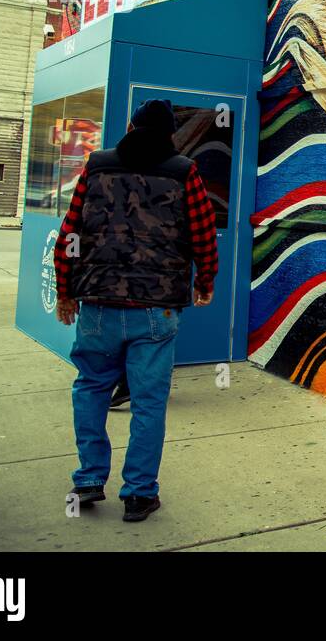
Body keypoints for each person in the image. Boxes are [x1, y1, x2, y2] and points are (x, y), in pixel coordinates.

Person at [54, 99, 218, 522]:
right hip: (156, 308)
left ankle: (90, 478)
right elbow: (203, 235)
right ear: (170, 135)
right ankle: (139, 494)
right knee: (148, 402)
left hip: (97, 304)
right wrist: (205, 283)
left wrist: (66, 291)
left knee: (90, 388)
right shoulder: (184, 171)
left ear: (129, 126)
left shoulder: (97, 165)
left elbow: (70, 234)